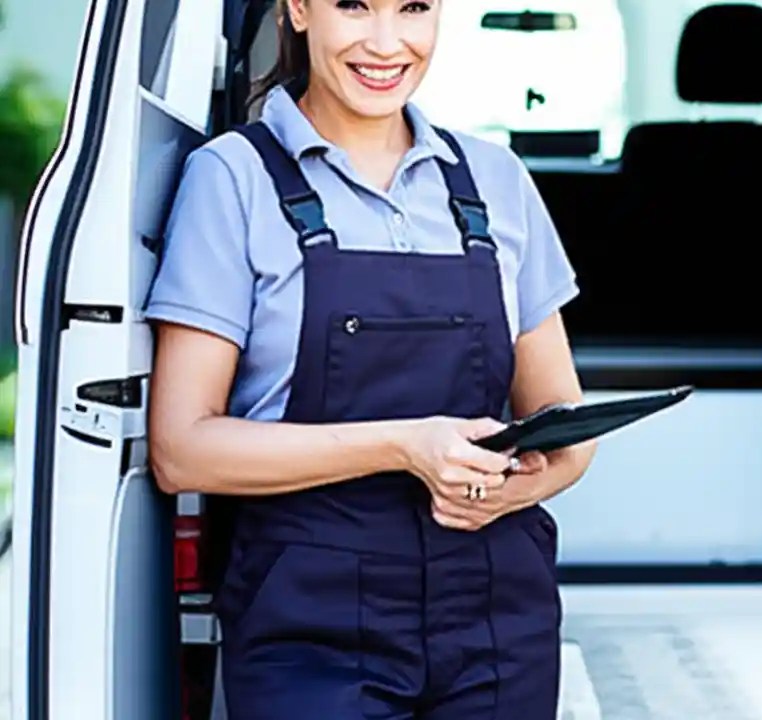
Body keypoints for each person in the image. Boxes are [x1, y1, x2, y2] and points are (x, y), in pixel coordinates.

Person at [143, 0, 595, 717]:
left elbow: (564, 423)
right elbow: (182, 450)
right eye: (353, 6)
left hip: (495, 615)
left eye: (414, 8)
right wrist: (405, 446)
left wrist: (516, 487)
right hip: (310, 625)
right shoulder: (232, 179)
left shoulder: (496, 181)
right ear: (298, 9)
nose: (386, 43)